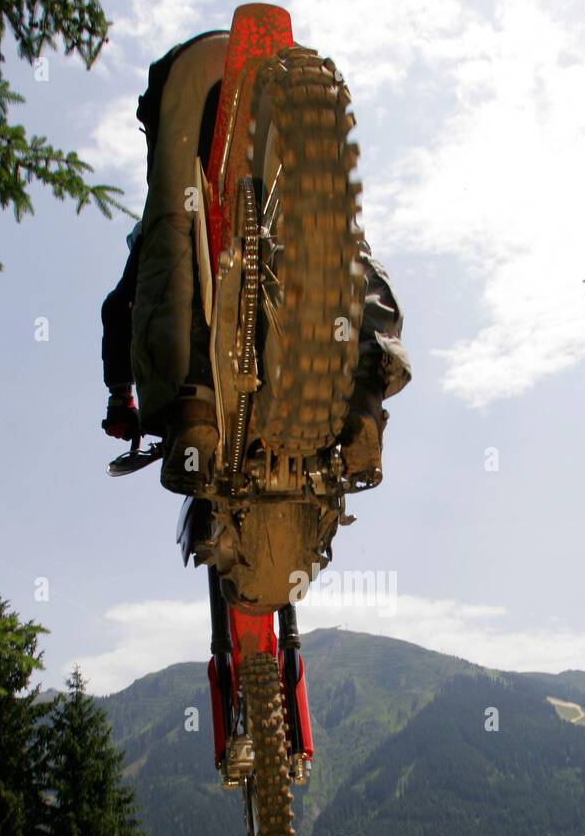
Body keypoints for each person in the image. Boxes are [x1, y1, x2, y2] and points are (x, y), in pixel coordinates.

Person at [101, 28, 411, 493]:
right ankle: (360, 397)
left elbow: (119, 308)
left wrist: (121, 399)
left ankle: (194, 409)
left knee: (171, 229)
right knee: (339, 240)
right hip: (282, 64)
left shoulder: (176, 102)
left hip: (194, 73)